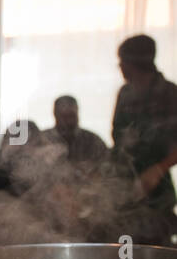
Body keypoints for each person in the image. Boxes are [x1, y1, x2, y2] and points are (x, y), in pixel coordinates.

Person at [110, 34, 177, 244]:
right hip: (124, 183)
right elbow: (118, 139)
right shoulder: (125, 92)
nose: (120, 67)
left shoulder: (169, 92)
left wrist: (158, 169)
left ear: (134, 63)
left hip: (157, 188)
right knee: (122, 247)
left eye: (122, 62)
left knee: (155, 251)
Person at [50, 95, 108, 165]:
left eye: (71, 116)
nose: (68, 121)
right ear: (55, 115)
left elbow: (108, 166)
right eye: (64, 116)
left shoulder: (93, 141)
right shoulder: (41, 141)